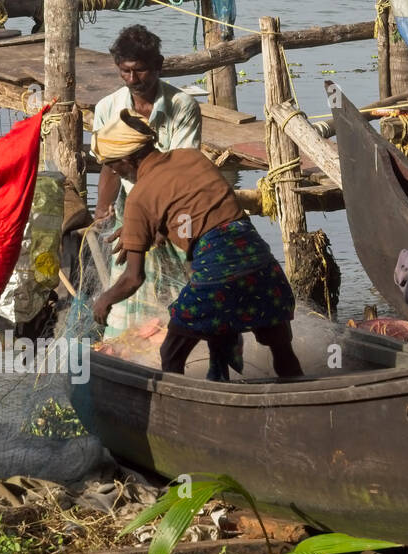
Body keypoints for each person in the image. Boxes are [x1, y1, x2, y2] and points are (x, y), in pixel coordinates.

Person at [90, 111, 304, 381]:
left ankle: (180, 408)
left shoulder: (138, 198)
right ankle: (298, 396)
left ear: (127, 159)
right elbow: (195, 213)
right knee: (282, 351)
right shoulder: (191, 157)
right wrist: (152, 230)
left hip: (218, 276)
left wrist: (104, 300)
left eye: (112, 164)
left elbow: (134, 278)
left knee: (171, 353)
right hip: (262, 266)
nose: (112, 171)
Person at [92, 25, 201, 337]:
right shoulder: (107, 108)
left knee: (180, 285)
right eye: (124, 71)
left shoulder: (182, 107)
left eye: (140, 71)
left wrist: (151, 223)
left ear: (158, 66)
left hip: (178, 205)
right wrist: (103, 210)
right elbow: (111, 166)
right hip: (132, 204)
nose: (132, 80)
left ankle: (182, 345)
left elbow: (181, 172)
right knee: (130, 279)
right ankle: (130, 348)